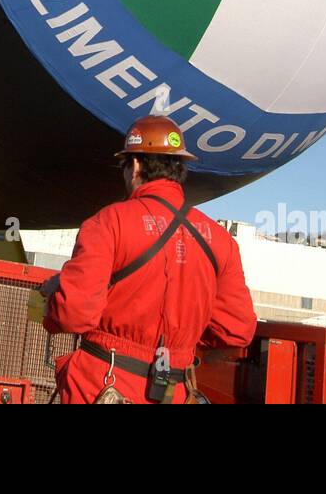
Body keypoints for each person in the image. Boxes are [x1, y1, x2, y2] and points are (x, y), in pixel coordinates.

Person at [40, 115, 257, 403]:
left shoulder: (108, 223)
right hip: (174, 389)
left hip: (103, 382)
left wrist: (53, 298)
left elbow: (73, 314)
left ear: (137, 165)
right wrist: (181, 344)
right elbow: (237, 331)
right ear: (179, 168)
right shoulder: (220, 240)